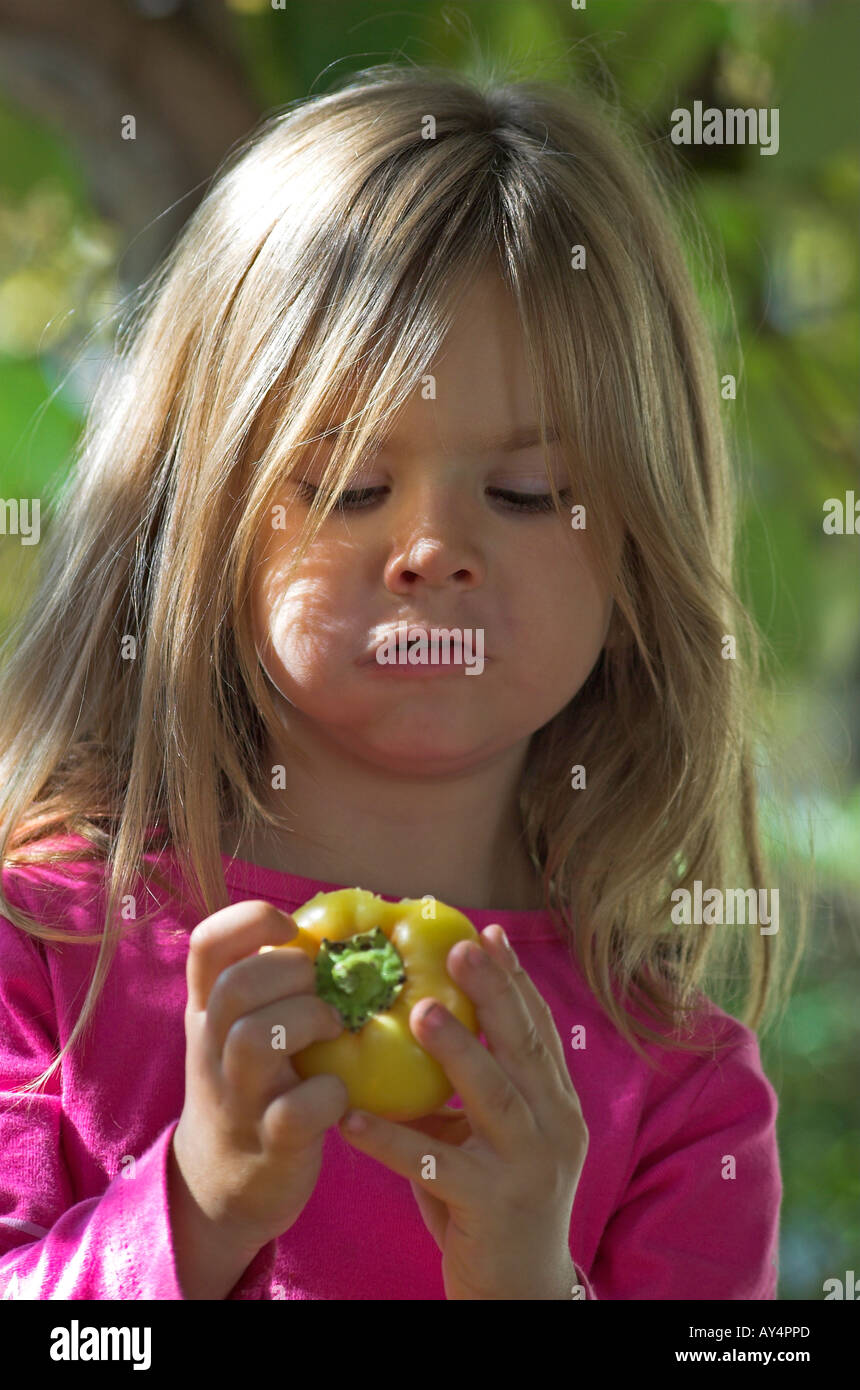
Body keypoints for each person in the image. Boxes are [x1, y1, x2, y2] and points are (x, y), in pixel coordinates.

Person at [0, 63, 794, 1300]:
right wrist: (191, 1215)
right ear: (199, 514)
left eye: (527, 494)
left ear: (639, 558)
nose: (433, 550)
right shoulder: (44, 952)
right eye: (348, 488)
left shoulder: (681, 1087)